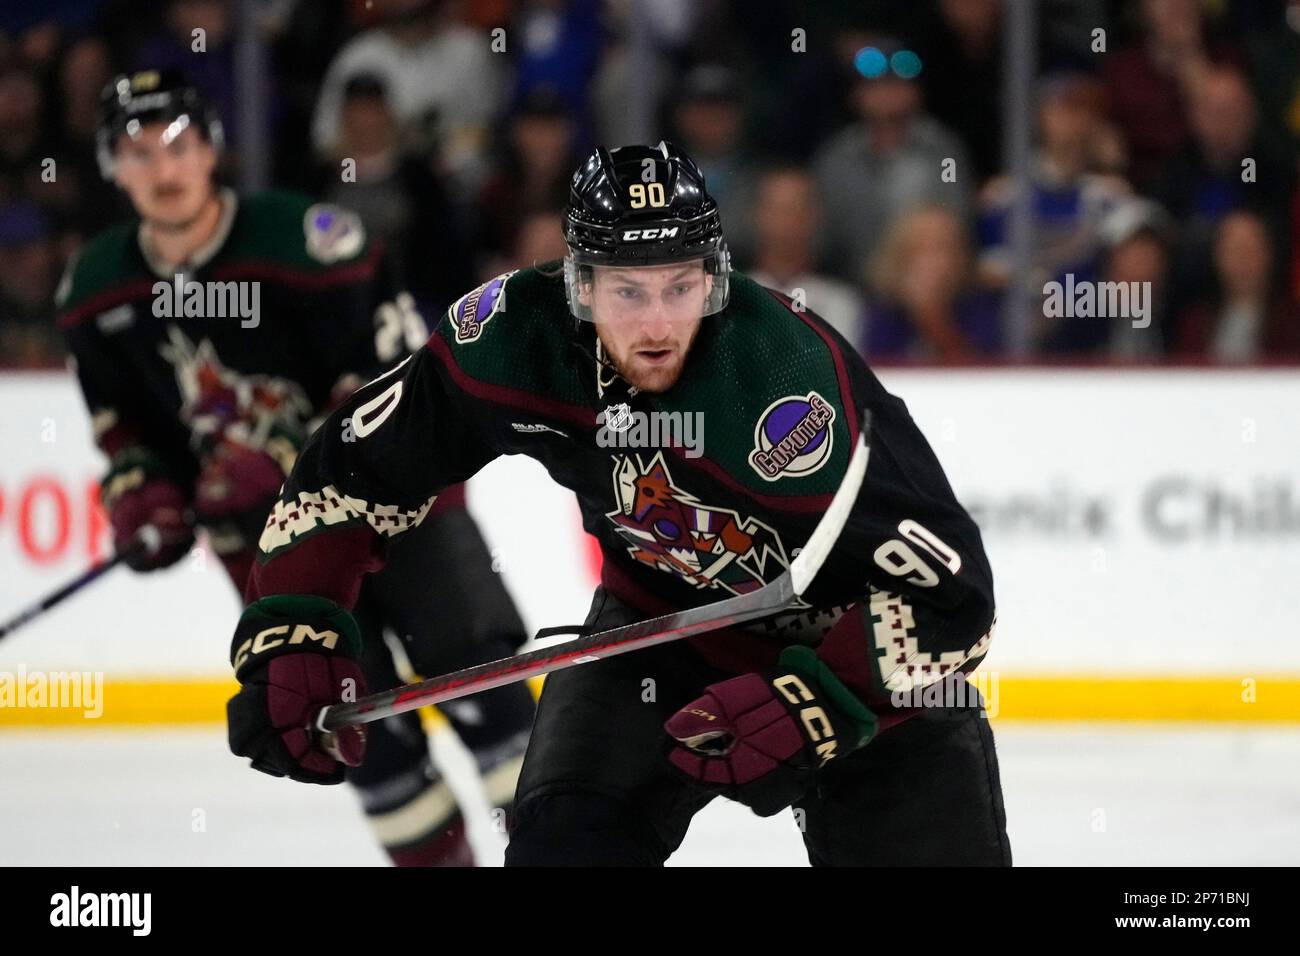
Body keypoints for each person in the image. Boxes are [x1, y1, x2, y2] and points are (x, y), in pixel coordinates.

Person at [226, 141, 1010, 866]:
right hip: (658, 631)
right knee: (562, 849)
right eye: (627, 291)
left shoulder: (791, 380)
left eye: (681, 286)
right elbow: (355, 467)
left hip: (849, 653)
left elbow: (955, 599)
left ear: (716, 278)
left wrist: (818, 700)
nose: (659, 323)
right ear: (578, 284)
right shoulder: (510, 338)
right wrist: (295, 621)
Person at [56, 69, 534, 866]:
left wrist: (281, 459)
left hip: (402, 509)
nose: (162, 169)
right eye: (136, 152)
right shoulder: (95, 293)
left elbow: (402, 385)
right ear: (111, 168)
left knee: (478, 678)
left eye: (177, 143)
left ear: (211, 148)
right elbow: (125, 423)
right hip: (267, 543)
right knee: (353, 728)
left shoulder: (314, 245)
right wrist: (149, 496)